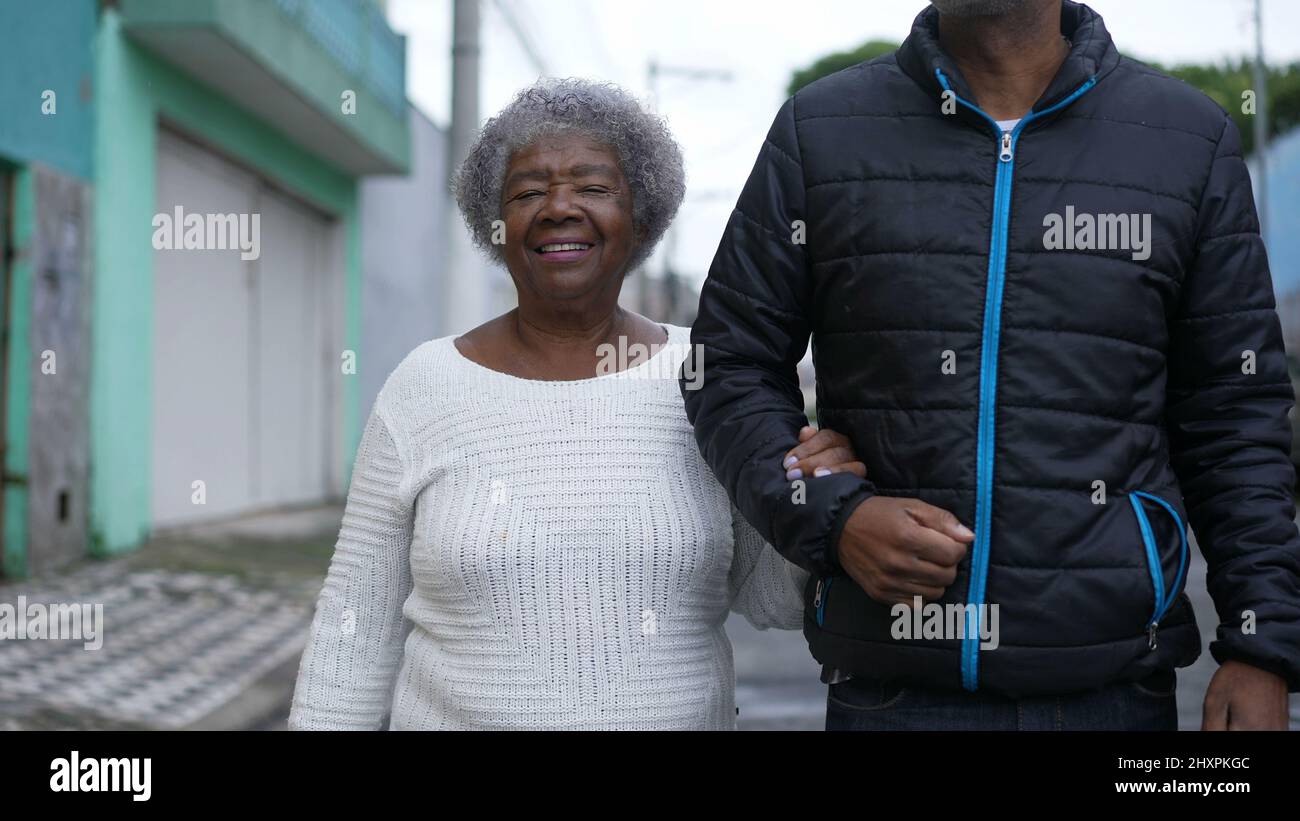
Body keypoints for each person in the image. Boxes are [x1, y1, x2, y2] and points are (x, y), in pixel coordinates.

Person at [683, 0, 1300, 730]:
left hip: (1111, 690)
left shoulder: (1189, 141)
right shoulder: (822, 131)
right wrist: (831, 515)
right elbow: (727, 362)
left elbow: (1234, 413)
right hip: (890, 688)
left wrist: (1262, 646)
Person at [287, 78, 866, 730]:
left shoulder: (709, 376)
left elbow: (770, 593)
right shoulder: (424, 386)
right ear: (494, 223)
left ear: (641, 215)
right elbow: (354, 623)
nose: (559, 207)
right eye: (528, 191)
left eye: (593, 188)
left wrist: (815, 499)